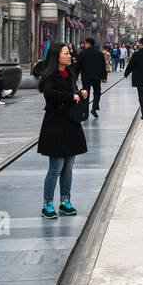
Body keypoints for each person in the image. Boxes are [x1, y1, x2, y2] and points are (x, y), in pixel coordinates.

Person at [36, 42, 88, 219]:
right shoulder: (50, 76)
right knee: (55, 168)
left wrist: (80, 93)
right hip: (56, 125)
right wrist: (70, 96)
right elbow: (50, 95)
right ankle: (47, 204)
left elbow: (72, 91)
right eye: (66, 53)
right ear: (56, 56)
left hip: (71, 124)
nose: (69, 55)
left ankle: (65, 201)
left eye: (69, 53)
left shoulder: (70, 73)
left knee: (68, 167)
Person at [76, 37, 107, 118]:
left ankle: (85, 111)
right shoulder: (99, 53)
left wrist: (75, 76)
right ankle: (94, 107)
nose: (84, 45)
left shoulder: (82, 53)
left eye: (85, 43)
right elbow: (103, 66)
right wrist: (104, 77)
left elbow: (78, 66)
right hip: (97, 77)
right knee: (97, 92)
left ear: (88, 44)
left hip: (85, 77)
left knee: (85, 93)